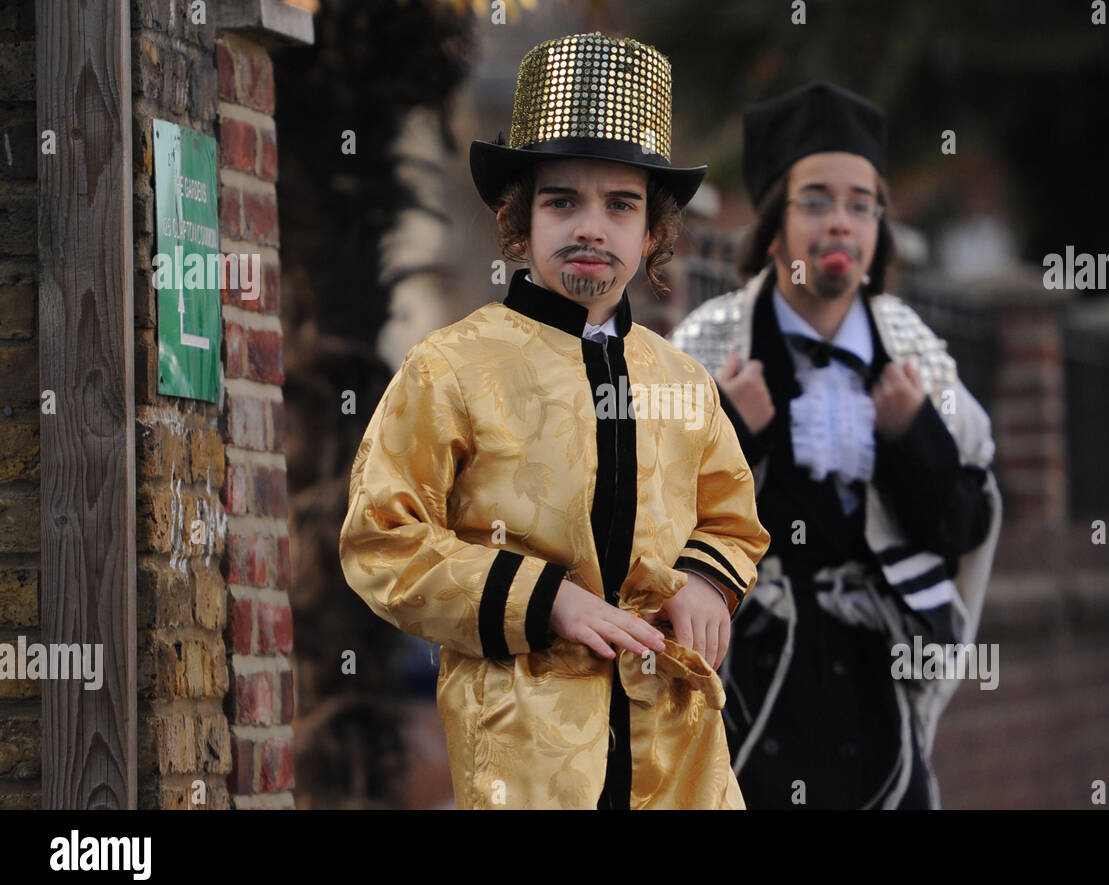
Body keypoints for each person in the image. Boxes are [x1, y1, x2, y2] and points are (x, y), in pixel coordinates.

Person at [338, 32, 770, 810]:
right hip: (523, 754)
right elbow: (383, 540)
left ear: (654, 231)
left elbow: (731, 517)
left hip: (677, 759)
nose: (592, 228)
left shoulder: (683, 381)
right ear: (518, 219)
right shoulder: (451, 368)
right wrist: (546, 602)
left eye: (621, 204)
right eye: (562, 200)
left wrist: (707, 581)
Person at [671, 81, 1001, 809]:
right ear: (775, 225)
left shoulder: (917, 357)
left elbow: (964, 528)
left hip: (875, 680)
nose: (841, 224)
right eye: (816, 200)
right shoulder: (708, 344)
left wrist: (915, 437)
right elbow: (645, 516)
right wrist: (732, 424)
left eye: (861, 204)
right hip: (747, 679)